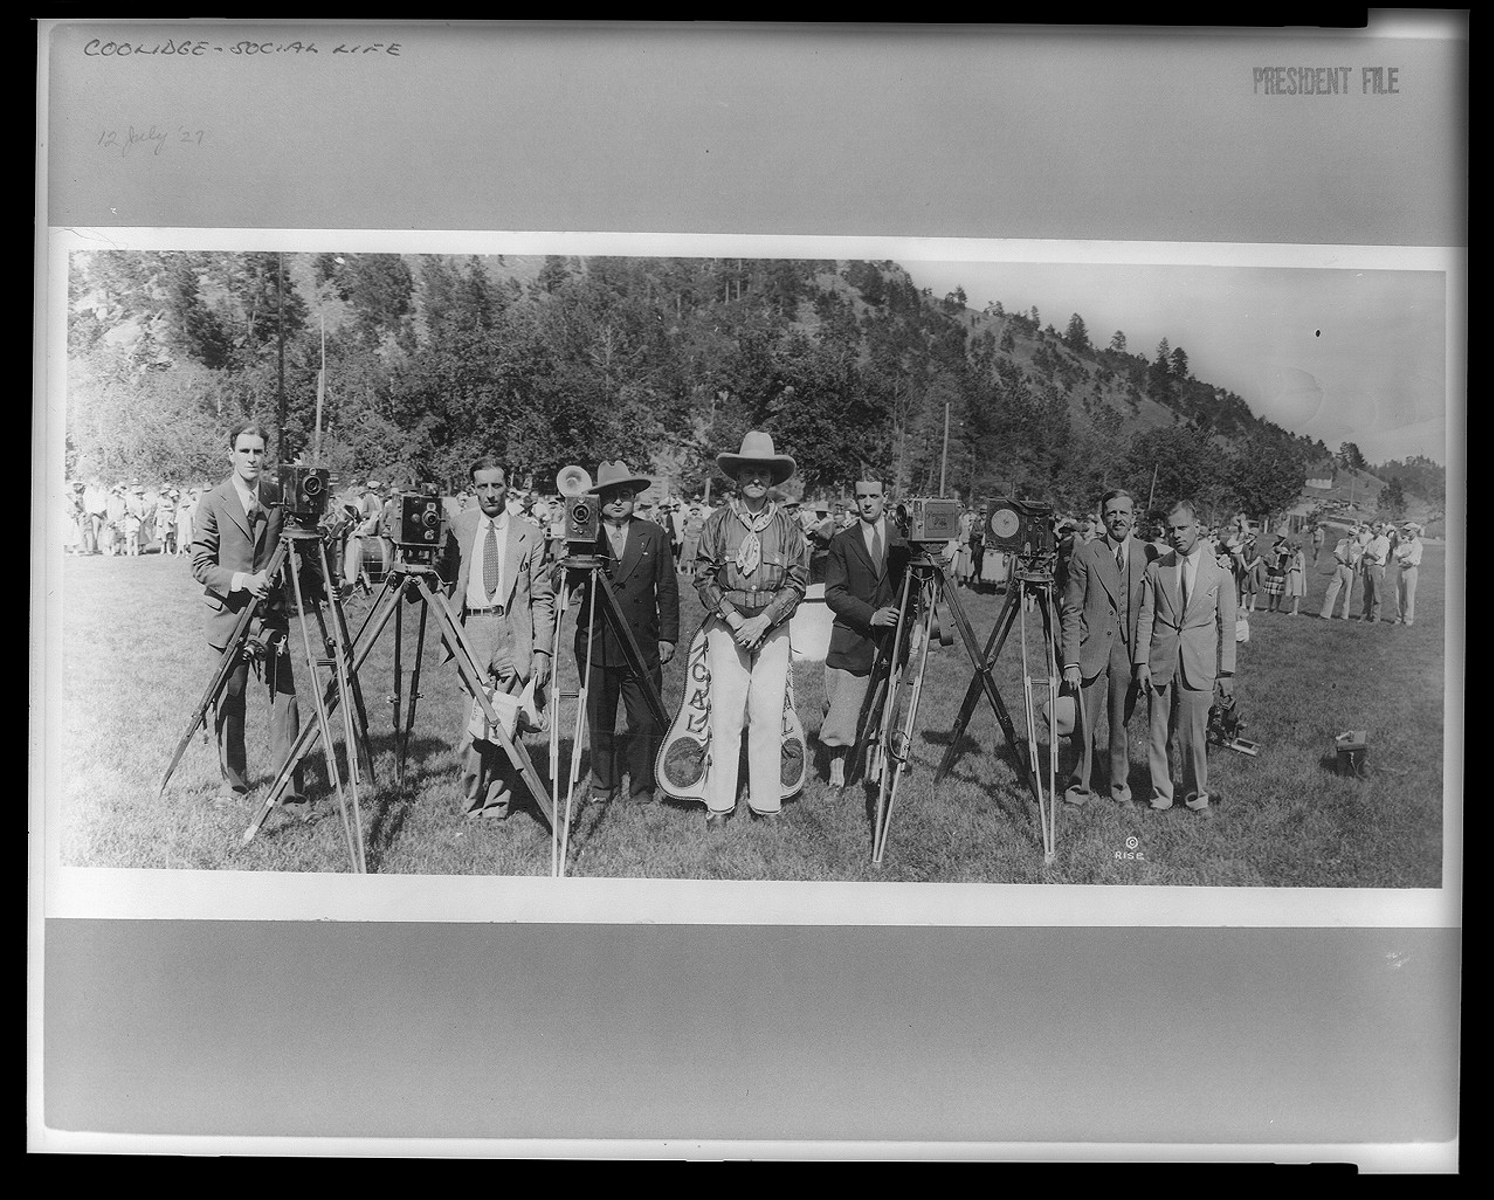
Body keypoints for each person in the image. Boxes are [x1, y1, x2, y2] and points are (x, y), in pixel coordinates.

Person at [693, 431, 809, 827]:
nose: (756, 479)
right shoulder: (718, 523)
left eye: (763, 472)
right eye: (749, 472)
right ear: (737, 478)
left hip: (771, 629)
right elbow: (703, 577)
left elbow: (797, 582)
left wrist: (763, 620)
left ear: (772, 479)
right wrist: (735, 618)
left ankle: (765, 802)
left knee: (766, 714)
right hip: (729, 627)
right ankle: (719, 803)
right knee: (725, 714)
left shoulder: (789, 527)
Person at [190, 421, 306, 814]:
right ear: (231, 454)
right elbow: (201, 565)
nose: (252, 459)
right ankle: (233, 782)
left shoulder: (278, 497)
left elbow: (294, 554)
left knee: (285, 699)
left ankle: (289, 788)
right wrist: (243, 580)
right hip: (228, 615)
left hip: (271, 616)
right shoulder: (212, 501)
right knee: (231, 698)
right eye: (245, 451)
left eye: (258, 452)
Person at [441, 456, 555, 820]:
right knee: (473, 729)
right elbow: (443, 581)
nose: (489, 494)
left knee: (506, 722)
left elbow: (542, 597)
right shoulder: (459, 527)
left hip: (511, 633)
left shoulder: (529, 534)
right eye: (482, 486)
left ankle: (498, 804)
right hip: (471, 632)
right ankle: (471, 803)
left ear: (509, 486)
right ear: (473, 489)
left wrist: (541, 650)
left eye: (496, 485)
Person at [572, 461, 680, 806]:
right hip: (598, 640)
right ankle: (602, 785)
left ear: (635, 499)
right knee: (600, 718)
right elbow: (571, 585)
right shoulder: (585, 531)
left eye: (625, 495)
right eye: (610, 495)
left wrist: (668, 636)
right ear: (598, 500)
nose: (618, 502)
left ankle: (642, 787)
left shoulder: (654, 534)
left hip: (642, 644)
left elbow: (667, 588)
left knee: (644, 718)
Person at [1059, 488, 1160, 808]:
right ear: (1103, 517)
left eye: (1123, 513)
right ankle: (1079, 788)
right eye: (1111, 513)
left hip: (1127, 654)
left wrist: (1144, 659)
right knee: (1083, 723)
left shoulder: (1148, 554)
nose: (1118, 518)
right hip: (1091, 652)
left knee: (1121, 724)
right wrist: (1071, 662)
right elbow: (1071, 611)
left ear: (1134, 518)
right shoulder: (1087, 553)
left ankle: (1120, 786)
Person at [1134, 500, 1236, 814]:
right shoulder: (1157, 568)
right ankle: (1161, 794)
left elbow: (1228, 623)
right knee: (1158, 733)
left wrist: (1227, 672)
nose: (1177, 535)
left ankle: (1196, 796)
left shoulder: (1219, 572)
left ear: (1197, 527)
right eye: (1171, 529)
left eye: (1183, 528)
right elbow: (1146, 617)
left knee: (1194, 737)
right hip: (1161, 661)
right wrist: (1141, 662)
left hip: (1199, 663)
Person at [821, 478, 909, 787]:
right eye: (861, 497)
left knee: (883, 708)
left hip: (891, 640)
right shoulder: (843, 542)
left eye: (874, 495)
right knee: (842, 711)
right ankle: (835, 779)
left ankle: (874, 774)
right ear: (855, 501)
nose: (867, 502)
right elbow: (834, 593)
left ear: (886, 496)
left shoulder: (903, 540)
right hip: (852, 637)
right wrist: (871, 615)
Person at [1319, 527, 1357, 619]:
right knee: (1330, 592)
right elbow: (1336, 554)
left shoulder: (1357, 547)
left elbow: (1351, 561)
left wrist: (1349, 548)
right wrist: (1344, 561)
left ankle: (1344, 615)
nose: (1350, 536)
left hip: (1349, 570)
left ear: (1356, 536)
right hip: (1340, 567)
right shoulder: (1342, 542)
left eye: (1352, 535)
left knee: (1347, 594)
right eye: (1349, 534)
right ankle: (1325, 614)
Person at [1360, 521, 1391, 623]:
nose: (1372, 530)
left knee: (1376, 593)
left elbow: (1376, 556)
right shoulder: (1370, 540)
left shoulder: (1384, 541)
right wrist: (1368, 555)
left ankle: (1376, 617)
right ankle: (1365, 615)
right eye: (1371, 528)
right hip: (1367, 566)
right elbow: (1363, 554)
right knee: (1367, 593)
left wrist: (1368, 553)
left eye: (1374, 528)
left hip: (1376, 567)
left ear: (1380, 529)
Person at [1393, 522, 1423, 626]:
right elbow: (1396, 554)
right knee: (1398, 595)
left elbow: (1412, 560)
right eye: (1405, 530)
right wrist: (1403, 556)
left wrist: (1402, 557)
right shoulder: (1404, 542)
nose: (1406, 532)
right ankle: (1398, 618)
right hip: (1401, 569)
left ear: (1414, 531)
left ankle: (1408, 619)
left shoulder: (1417, 545)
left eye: (1408, 530)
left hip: (1411, 570)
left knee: (1409, 596)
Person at [1284, 539, 1307, 615]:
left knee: (1296, 593)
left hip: (1297, 576)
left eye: (1293, 546)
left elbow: (1300, 567)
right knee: (1294, 593)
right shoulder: (1297, 554)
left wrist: (1291, 568)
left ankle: (1295, 611)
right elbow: (1295, 559)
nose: (1292, 548)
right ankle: (1293, 610)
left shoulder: (1300, 555)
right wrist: (1289, 554)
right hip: (1294, 575)